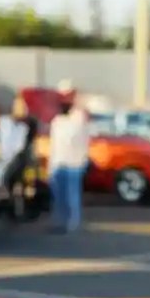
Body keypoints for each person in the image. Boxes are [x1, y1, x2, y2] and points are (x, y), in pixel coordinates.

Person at [47, 97, 91, 234]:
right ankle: (62, 222)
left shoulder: (76, 122)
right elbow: (54, 146)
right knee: (60, 196)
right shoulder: (58, 122)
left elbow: (81, 142)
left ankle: (71, 224)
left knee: (71, 196)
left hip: (73, 164)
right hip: (61, 163)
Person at [0, 96, 39, 214]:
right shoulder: (6, 122)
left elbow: (20, 145)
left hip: (19, 158)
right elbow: (5, 143)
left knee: (15, 183)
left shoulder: (25, 125)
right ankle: (14, 209)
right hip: (10, 158)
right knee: (13, 184)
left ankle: (16, 210)